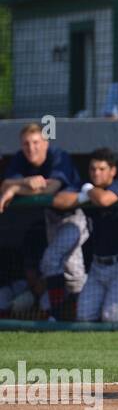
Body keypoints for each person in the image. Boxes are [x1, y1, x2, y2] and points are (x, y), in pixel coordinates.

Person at [0, 123, 88, 320]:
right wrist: (24, 182)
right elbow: (4, 184)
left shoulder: (58, 156)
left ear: (46, 143)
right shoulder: (21, 158)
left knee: (51, 260)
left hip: (73, 218)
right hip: (52, 219)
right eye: (26, 144)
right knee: (73, 274)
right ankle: (77, 315)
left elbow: (51, 188)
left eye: (36, 143)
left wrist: (15, 189)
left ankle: (58, 316)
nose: (31, 148)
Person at [51, 148, 118, 322]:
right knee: (83, 316)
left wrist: (87, 190)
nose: (96, 173)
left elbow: (104, 200)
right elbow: (58, 200)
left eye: (101, 169)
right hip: (97, 267)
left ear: (113, 171)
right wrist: (83, 195)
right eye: (92, 169)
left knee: (110, 317)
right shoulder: (88, 190)